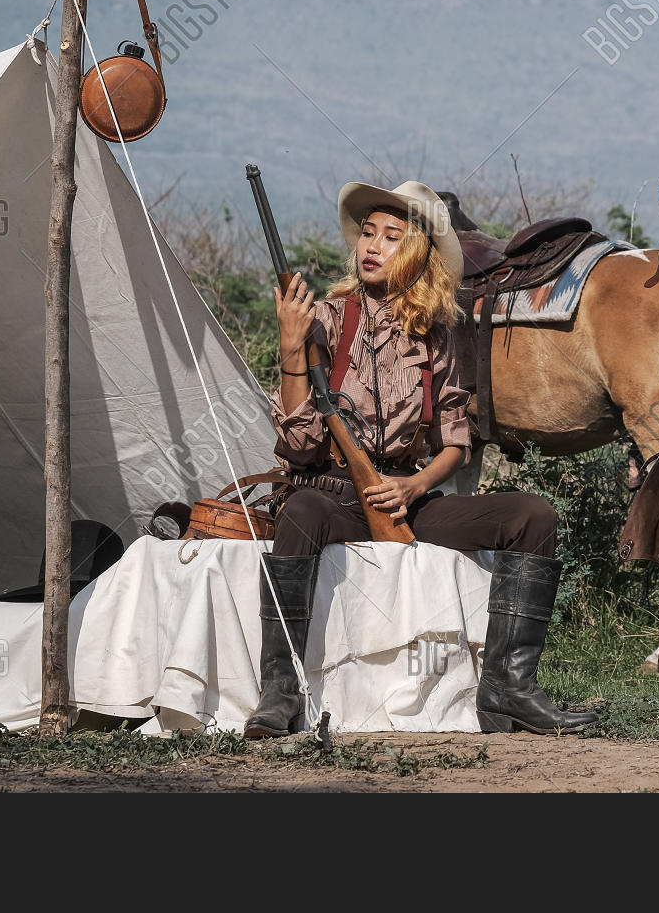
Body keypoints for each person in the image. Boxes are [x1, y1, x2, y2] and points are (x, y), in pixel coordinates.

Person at [243, 179, 598, 739]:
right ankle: (280, 690)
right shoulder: (327, 322)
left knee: (534, 517)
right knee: (300, 513)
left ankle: (509, 689)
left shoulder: (439, 335)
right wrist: (292, 351)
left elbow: (456, 443)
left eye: (390, 235)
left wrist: (412, 490)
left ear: (416, 254)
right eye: (367, 233)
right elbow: (299, 446)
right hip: (333, 495)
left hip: (408, 500)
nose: (372, 246)